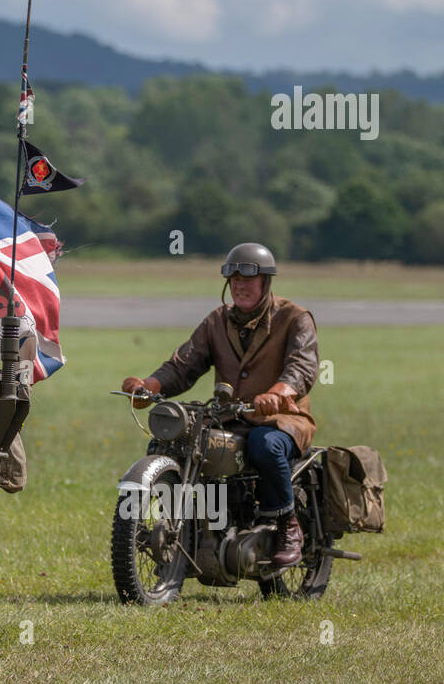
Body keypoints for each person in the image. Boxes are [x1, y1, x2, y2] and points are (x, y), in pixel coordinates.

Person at [120, 242, 319, 567]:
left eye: (248, 279)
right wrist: (149, 385)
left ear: (265, 281)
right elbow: (184, 365)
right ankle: (178, 528)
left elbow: (302, 367)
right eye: (235, 279)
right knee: (171, 443)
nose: (240, 285)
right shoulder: (217, 321)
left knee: (264, 446)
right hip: (228, 416)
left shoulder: (294, 318)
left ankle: (287, 525)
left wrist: (280, 392)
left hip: (281, 420)